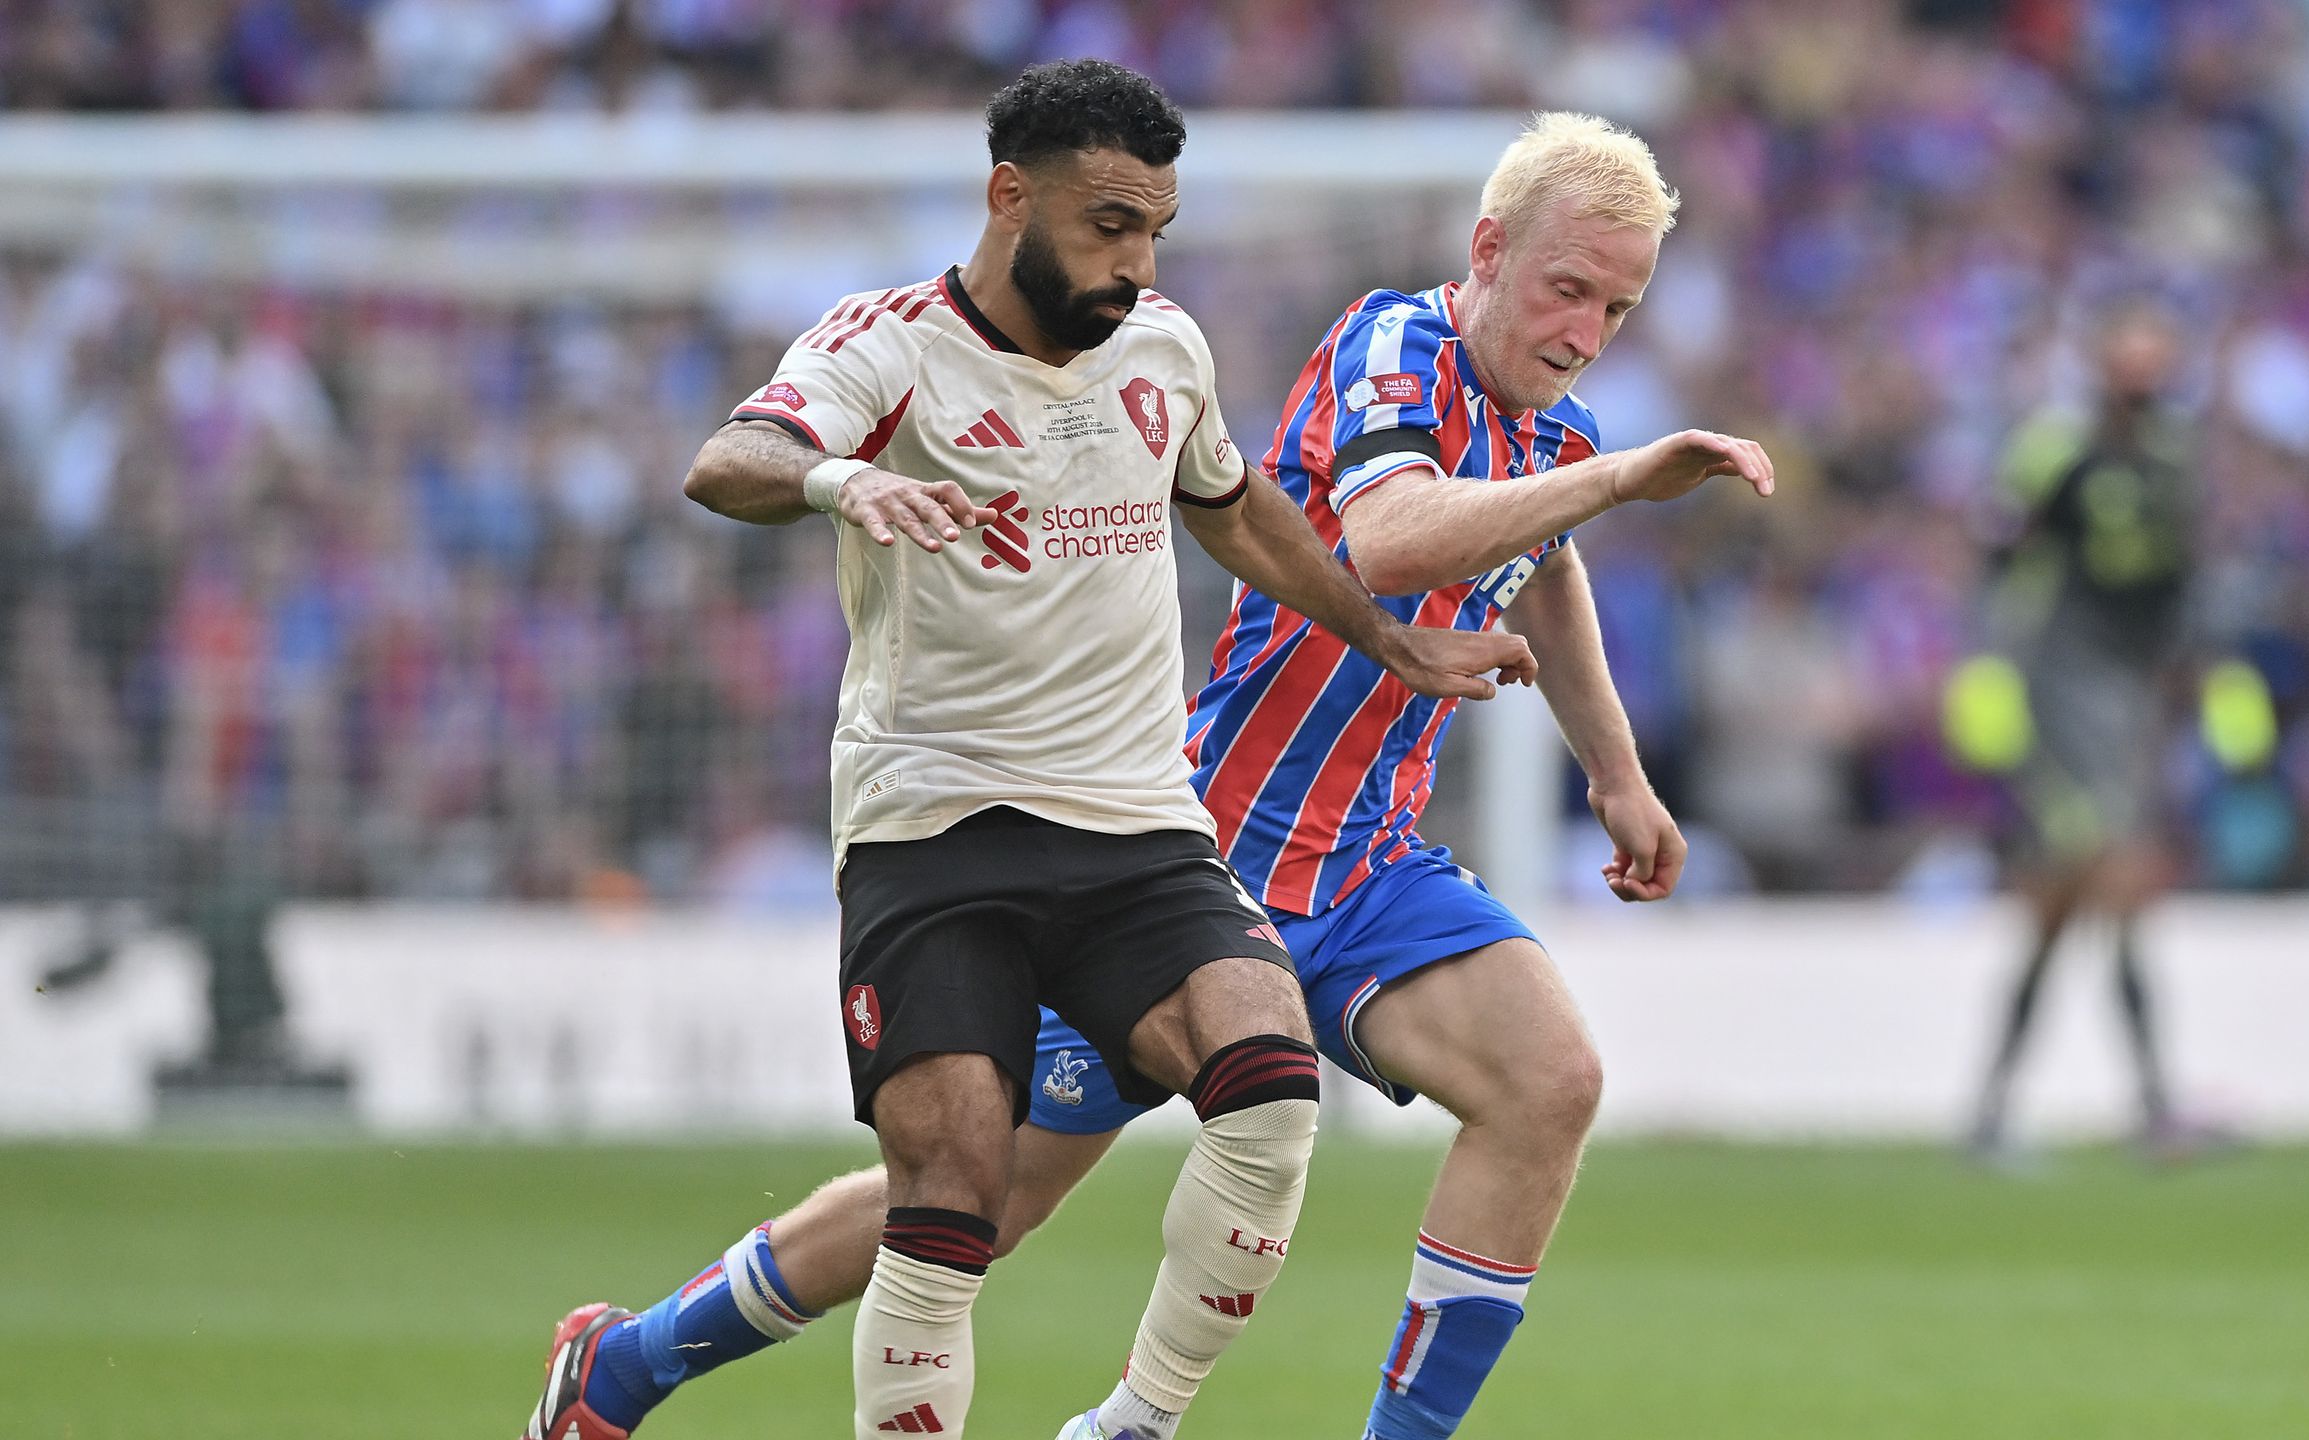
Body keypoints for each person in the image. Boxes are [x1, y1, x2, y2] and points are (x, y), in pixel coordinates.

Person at [522, 109, 1774, 1440]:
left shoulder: (1551, 428)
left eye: (1617, 311)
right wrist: (1627, 476)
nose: (1584, 333)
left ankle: (1174, 1424)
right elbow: (1396, 537)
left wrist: (1616, 773)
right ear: (1488, 250)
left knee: (1551, 1084)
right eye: (1566, 291)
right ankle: (631, 1362)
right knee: (972, 1204)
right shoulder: (1394, 345)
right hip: (1198, 849)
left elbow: (1550, 566)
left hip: (1367, 861)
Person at [1962, 299, 2214, 1165]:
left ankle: (1994, 1111)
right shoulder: (2054, 452)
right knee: (2114, 877)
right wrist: (1996, 679)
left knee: (2070, 902)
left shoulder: (2175, 463)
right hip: (2060, 689)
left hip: (2129, 700)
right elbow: (2004, 563)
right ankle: (2152, 1106)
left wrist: (2198, 681)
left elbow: (2182, 584)